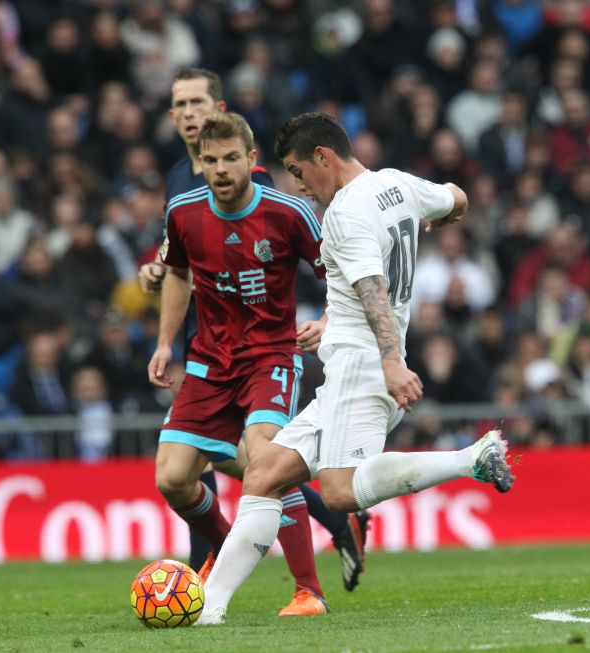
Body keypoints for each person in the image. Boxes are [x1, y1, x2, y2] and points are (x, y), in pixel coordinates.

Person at [197, 113, 515, 625]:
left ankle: (471, 458)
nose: (299, 185)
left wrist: (391, 363)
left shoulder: (345, 214)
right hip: (352, 360)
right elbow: (457, 196)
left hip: (361, 368)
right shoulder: (397, 184)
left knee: (340, 492)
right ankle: (208, 608)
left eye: (300, 172)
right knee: (263, 474)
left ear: (323, 157)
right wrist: (437, 217)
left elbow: (374, 294)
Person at [138, 67, 368, 592]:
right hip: (209, 359)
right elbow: (177, 270)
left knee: (263, 461)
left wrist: (330, 318)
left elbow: (336, 268)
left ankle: (308, 590)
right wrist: (164, 343)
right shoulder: (181, 200)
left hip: (269, 356)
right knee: (173, 478)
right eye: (212, 161)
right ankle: (229, 546)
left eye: (230, 159)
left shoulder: (285, 210)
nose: (219, 169)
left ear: (251, 162)